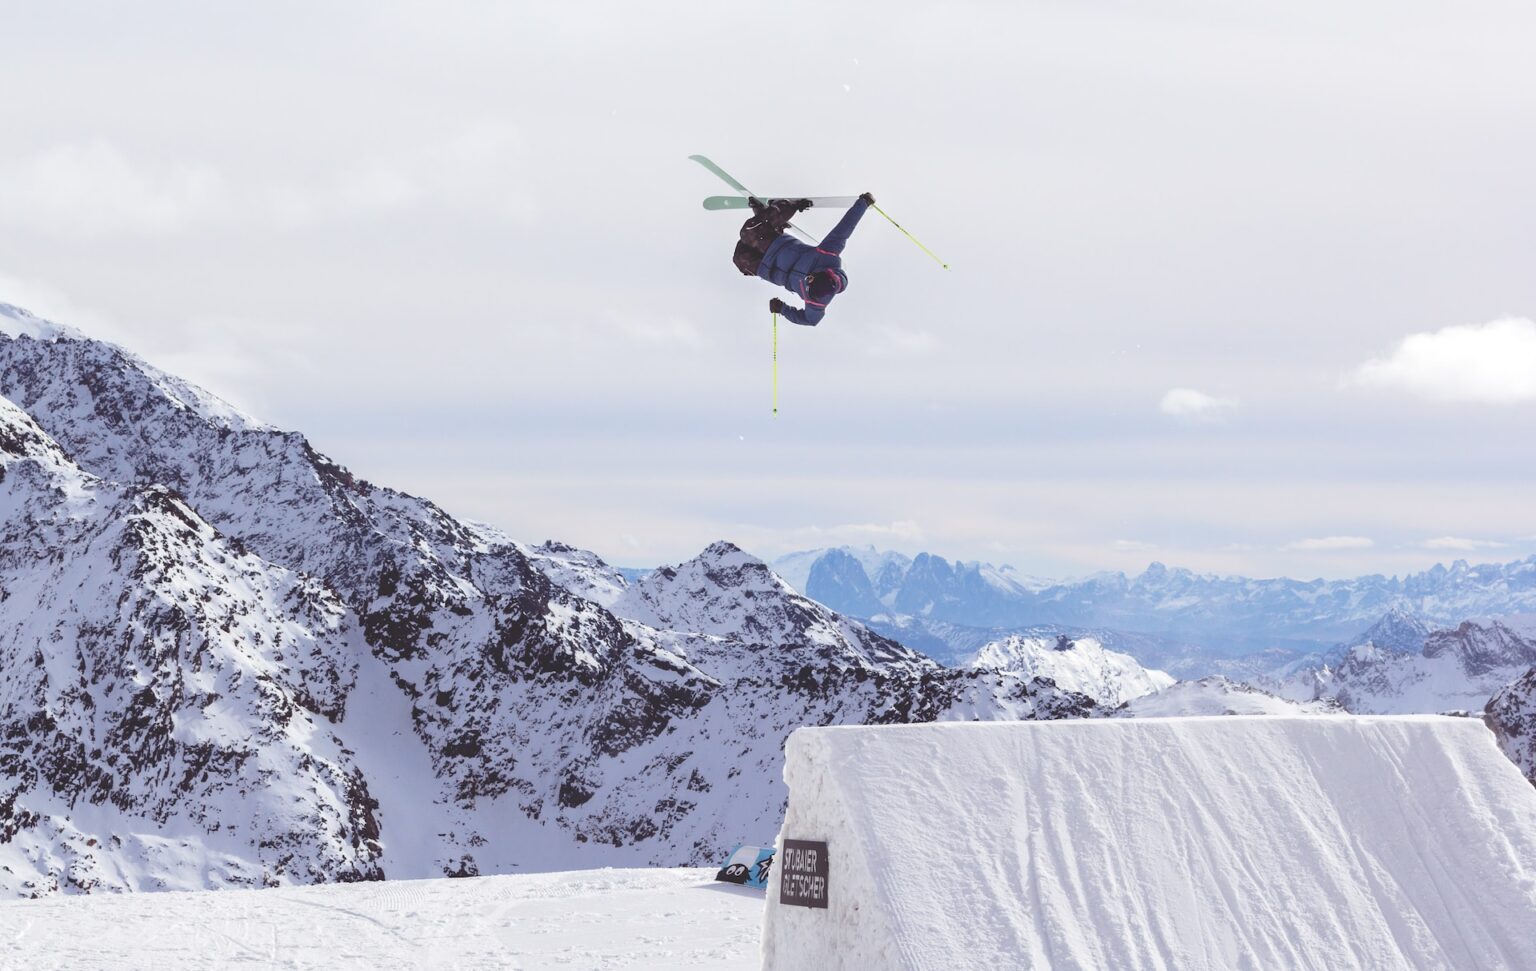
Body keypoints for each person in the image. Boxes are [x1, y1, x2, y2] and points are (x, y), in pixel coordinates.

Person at [731, 192, 875, 326]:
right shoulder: (828, 256)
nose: (807, 279)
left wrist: (782, 309)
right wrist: (863, 204)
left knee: (739, 260)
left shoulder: (816, 304)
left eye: (808, 284)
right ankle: (784, 209)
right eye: (811, 279)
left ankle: (766, 222)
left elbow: (811, 320)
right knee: (748, 233)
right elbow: (845, 229)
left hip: (767, 270)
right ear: (825, 274)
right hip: (776, 246)